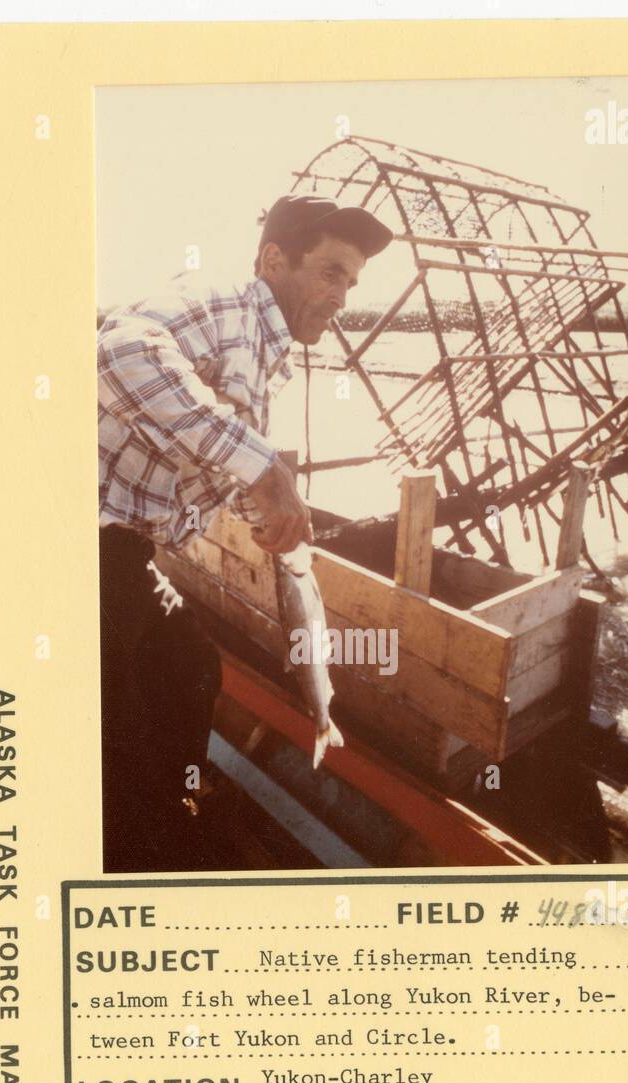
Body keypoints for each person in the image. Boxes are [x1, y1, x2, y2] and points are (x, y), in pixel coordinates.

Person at [97, 194, 393, 869]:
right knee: (120, 711)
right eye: (329, 272)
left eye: (350, 281)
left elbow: (198, 441)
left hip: (126, 549)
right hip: (80, 545)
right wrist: (262, 468)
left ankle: (162, 818)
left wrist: (255, 504)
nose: (342, 296)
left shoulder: (266, 350)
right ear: (272, 260)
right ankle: (130, 853)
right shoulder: (227, 303)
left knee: (188, 667)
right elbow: (118, 353)